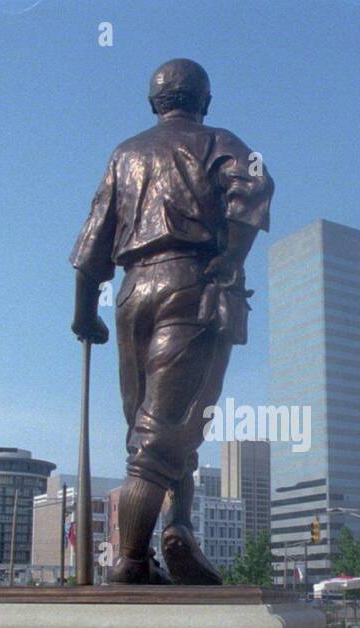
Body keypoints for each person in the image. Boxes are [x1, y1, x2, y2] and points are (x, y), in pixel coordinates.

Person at [70, 59, 274, 585]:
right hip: (192, 285)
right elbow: (253, 189)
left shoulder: (124, 154)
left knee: (157, 427)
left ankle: (178, 528)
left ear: (153, 104)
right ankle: (132, 561)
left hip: (133, 292)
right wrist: (229, 260)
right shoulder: (219, 141)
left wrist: (84, 313)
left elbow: (92, 245)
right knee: (160, 436)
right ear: (204, 101)